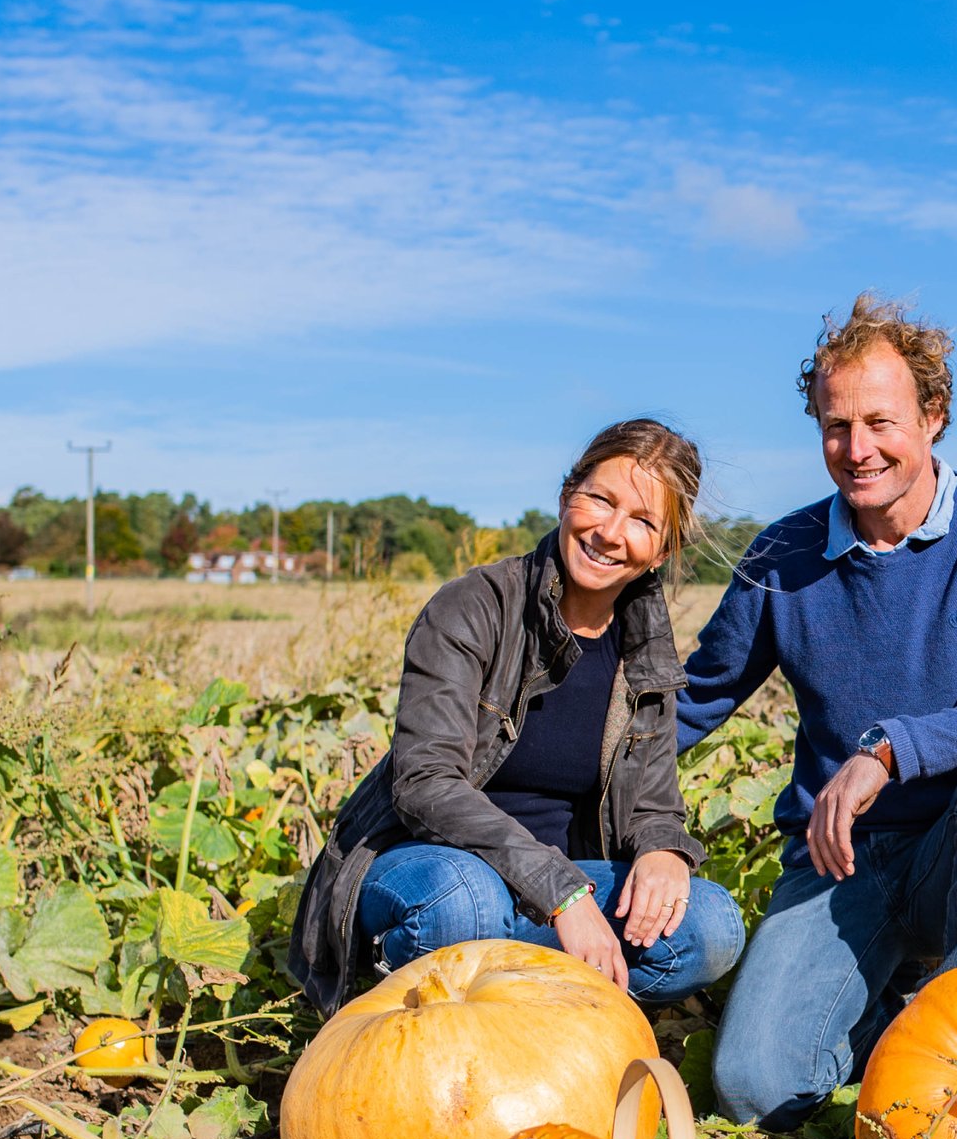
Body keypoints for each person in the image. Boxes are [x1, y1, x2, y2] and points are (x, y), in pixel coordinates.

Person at [678, 295, 957, 1127]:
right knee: (756, 1087)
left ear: (933, 416)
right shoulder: (786, 554)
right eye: (836, 426)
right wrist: (558, 756)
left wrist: (890, 750)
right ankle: (887, 1002)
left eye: (880, 421)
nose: (856, 449)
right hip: (840, 863)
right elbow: (697, 697)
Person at [290, 419, 744, 1009]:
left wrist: (663, 849)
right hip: (429, 868)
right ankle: (489, 1001)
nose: (610, 532)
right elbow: (424, 783)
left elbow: (655, 804)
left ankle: (525, 1003)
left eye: (642, 520)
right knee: (463, 902)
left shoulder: (644, 652)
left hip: (557, 892)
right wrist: (562, 894)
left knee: (710, 926)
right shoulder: (473, 608)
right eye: (600, 500)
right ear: (566, 496)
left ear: (662, 550)